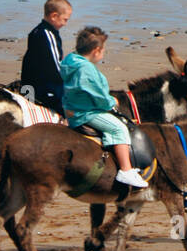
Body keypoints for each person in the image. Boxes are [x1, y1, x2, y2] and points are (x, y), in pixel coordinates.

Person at [60, 26, 148, 188]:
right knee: (119, 128)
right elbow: (97, 95)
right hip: (86, 112)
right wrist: (111, 102)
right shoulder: (86, 70)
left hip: (71, 108)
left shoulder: (70, 60)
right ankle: (125, 170)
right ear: (96, 50)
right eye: (103, 49)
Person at [20, 0, 72, 114]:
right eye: (65, 19)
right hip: (43, 89)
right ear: (54, 16)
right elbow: (55, 66)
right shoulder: (48, 35)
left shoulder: (36, 31)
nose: (65, 24)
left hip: (29, 85)